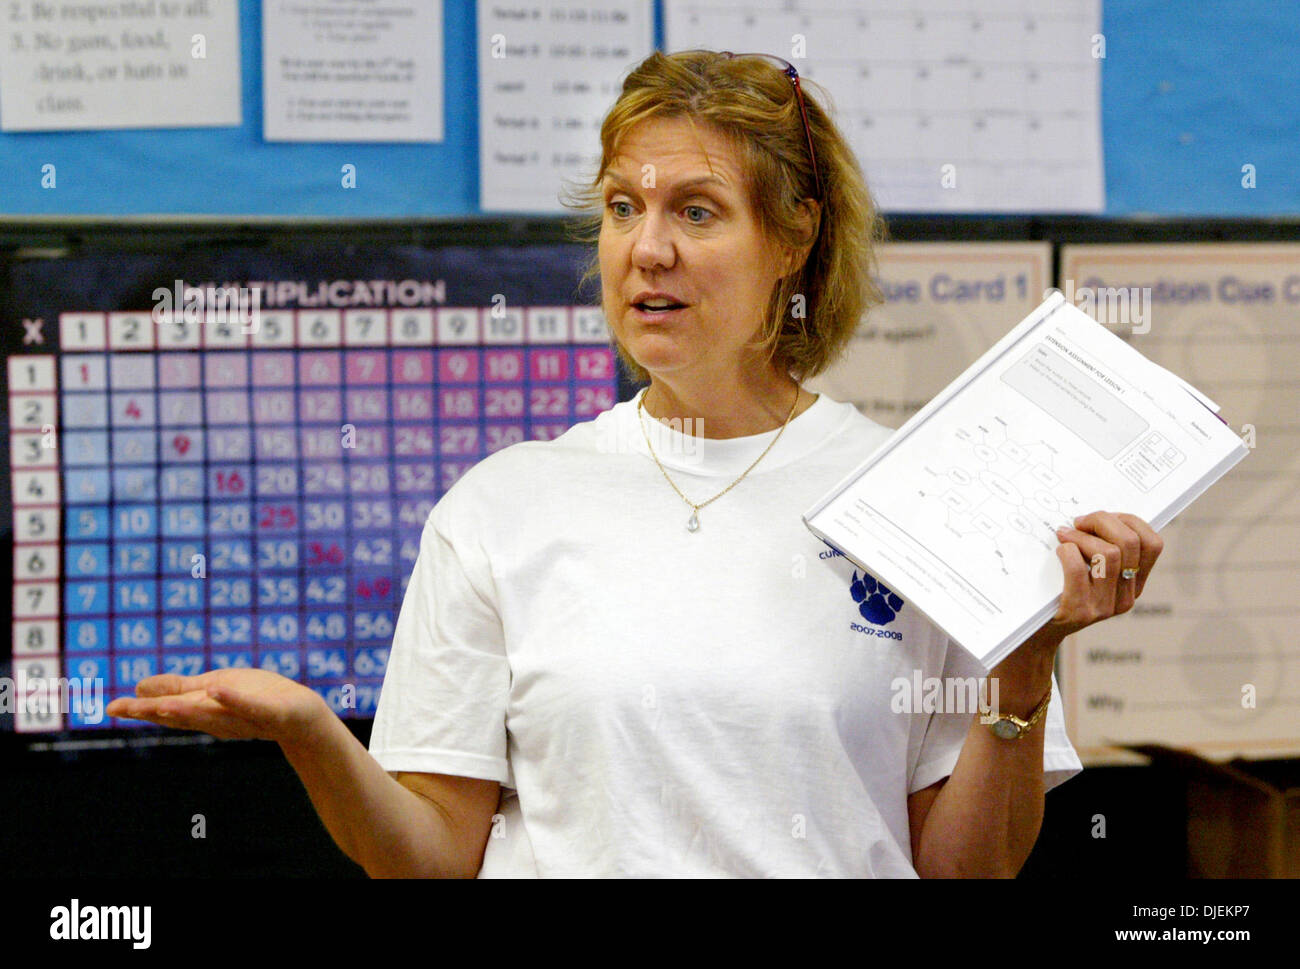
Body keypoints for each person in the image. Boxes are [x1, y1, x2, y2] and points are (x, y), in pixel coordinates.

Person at [107, 49, 1165, 877]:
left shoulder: (909, 498)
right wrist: (310, 732)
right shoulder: (504, 503)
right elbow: (430, 859)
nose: (644, 250)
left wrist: (1023, 665)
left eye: (694, 212)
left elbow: (965, 871)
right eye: (622, 207)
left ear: (794, 236)